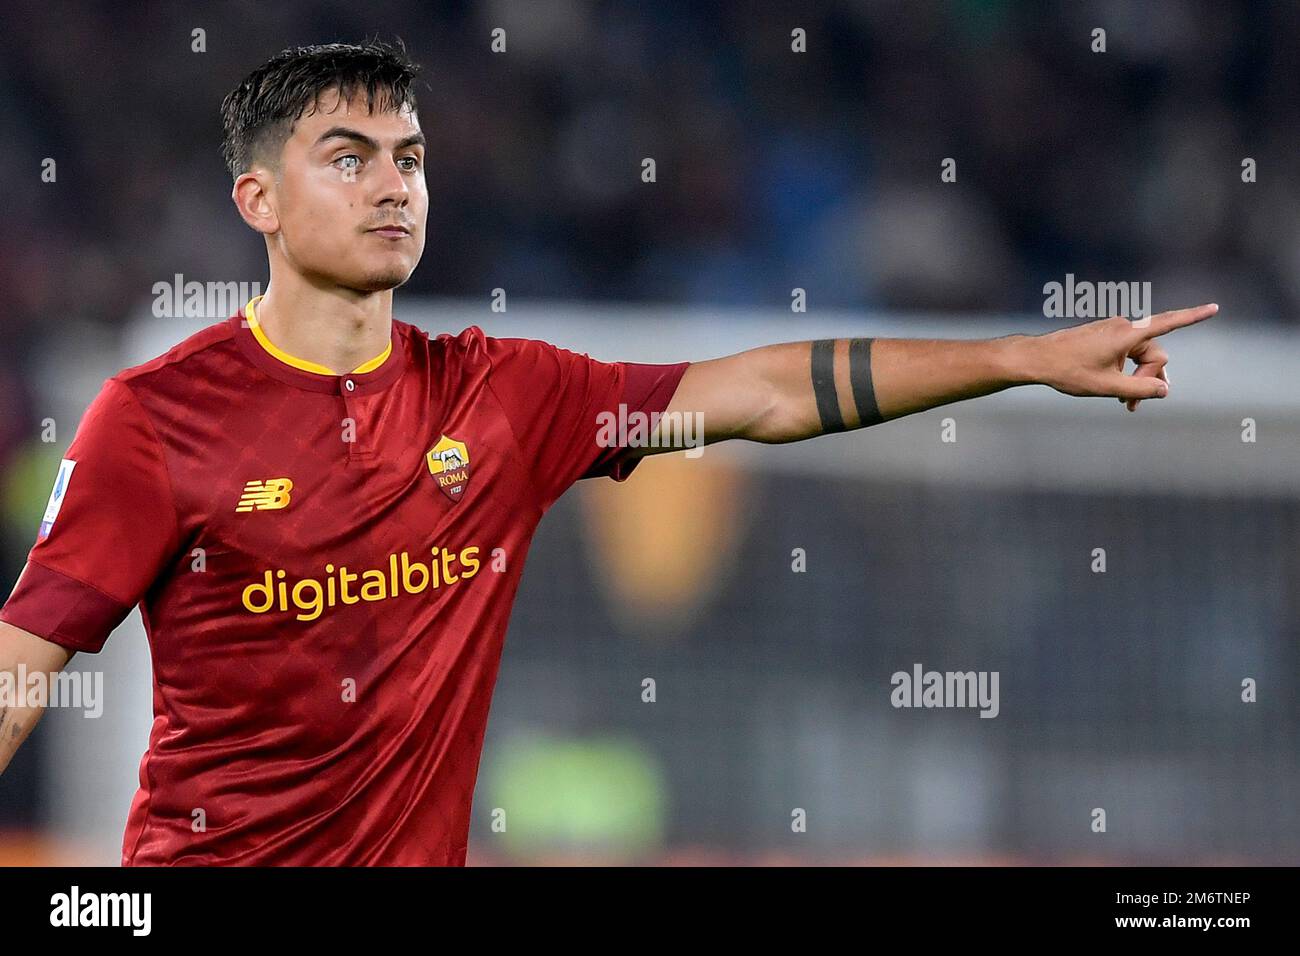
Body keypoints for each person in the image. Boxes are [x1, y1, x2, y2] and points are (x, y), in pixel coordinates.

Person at [0, 41, 1216, 865]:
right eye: (349, 158)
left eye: (410, 159)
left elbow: (763, 392)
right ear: (257, 201)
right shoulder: (156, 416)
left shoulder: (504, 397)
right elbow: (20, 663)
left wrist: (1014, 359)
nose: (393, 188)